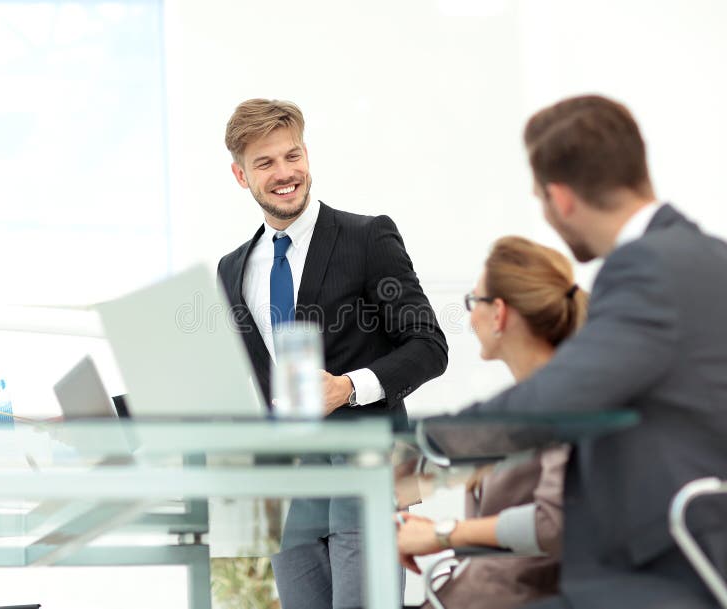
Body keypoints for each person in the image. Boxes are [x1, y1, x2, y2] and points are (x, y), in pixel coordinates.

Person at [428, 95, 727, 609]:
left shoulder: (647, 267)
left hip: (665, 571)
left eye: (539, 200)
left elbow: (558, 398)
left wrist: (435, 443)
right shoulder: (708, 256)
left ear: (561, 198)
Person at [217, 98, 448, 609]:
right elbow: (235, 378)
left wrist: (347, 388)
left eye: (292, 155)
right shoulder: (233, 268)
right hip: (287, 483)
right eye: (265, 163)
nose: (285, 173)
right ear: (241, 175)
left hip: (363, 470)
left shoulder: (367, 238)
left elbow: (429, 346)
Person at [397, 236, 588, 609]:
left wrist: (442, 533)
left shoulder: (565, 402)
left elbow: (552, 524)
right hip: (484, 591)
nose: (470, 316)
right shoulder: (529, 403)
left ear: (498, 313)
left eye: (474, 301)